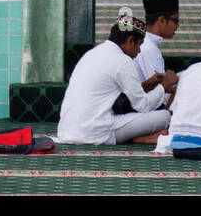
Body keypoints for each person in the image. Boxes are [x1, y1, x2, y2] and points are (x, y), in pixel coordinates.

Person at [57, 11, 176, 145]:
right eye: (139, 45)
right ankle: (139, 137)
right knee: (165, 117)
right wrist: (164, 85)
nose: (139, 51)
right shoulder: (123, 61)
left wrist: (146, 85)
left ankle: (141, 137)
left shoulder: (92, 53)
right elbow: (143, 106)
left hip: (66, 131)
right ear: (130, 40)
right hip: (94, 133)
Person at [136, 0, 179, 90]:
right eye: (175, 21)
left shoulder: (147, 44)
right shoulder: (148, 49)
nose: (177, 26)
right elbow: (158, 93)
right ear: (162, 21)